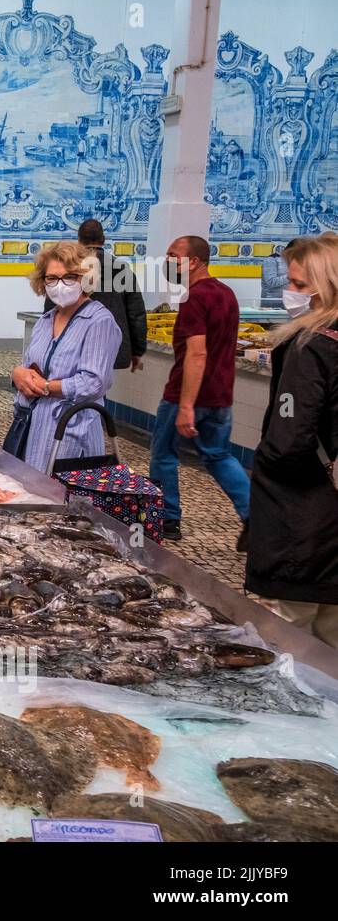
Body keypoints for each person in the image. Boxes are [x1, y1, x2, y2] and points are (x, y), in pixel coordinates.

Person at [245, 234, 338, 647]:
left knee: (288, 637)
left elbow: (288, 440)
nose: (290, 292)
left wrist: (267, 465)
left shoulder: (309, 347)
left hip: (300, 518)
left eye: (300, 285)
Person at [148, 235, 251, 543]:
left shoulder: (194, 298)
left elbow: (198, 353)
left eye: (171, 255)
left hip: (187, 392)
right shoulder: (226, 294)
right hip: (221, 395)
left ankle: (167, 518)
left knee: (163, 453)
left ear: (192, 262)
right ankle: (254, 515)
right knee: (219, 456)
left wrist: (186, 405)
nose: (166, 261)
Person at [6, 241, 121, 472]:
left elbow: (94, 382)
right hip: (34, 427)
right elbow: (31, 367)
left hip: (70, 431)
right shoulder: (46, 320)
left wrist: (48, 387)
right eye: (51, 278)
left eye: (69, 277)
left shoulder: (99, 321)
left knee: (64, 500)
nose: (60, 285)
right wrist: (17, 374)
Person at [43, 219, 147, 372]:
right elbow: (136, 314)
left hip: (71, 342)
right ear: (103, 240)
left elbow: (52, 305)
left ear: (79, 241)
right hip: (111, 345)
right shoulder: (122, 269)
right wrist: (137, 351)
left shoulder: (70, 268)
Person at [259, 239, 296, 309]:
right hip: (271, 306)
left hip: (290, 304)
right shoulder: (271, 260)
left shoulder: (293, 261)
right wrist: (292, 275)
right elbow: (271, 282)